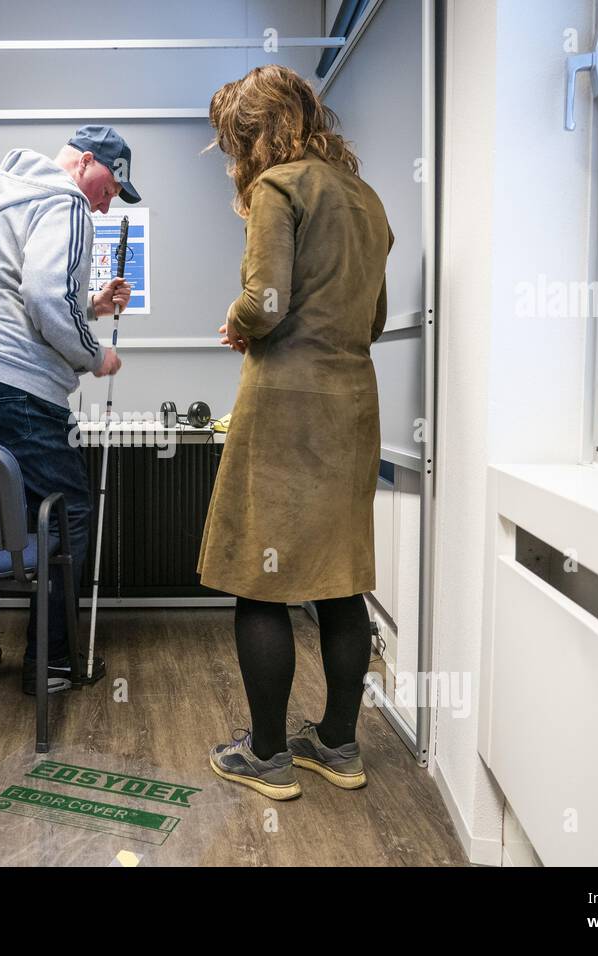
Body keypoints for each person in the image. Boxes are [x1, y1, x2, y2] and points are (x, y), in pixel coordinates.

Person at [198, 66, 393, 799]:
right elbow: (372, 319)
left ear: (256, 132)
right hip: (352, 406)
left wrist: (237, 322)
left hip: (286, 406)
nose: (234, 157)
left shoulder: (279, 188)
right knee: (341, 581)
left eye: (235, 141)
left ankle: (269, 756)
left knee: (261, 580)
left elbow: (266, 299)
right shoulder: (367, 201)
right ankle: (339, 745)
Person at [0, 125, 140, 695]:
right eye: (113, 186)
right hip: (11, 386)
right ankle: (52, 664)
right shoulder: (68, 202)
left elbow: (15, 293)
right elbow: (45, 299)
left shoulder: (7, 193)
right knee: (67, 515)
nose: (108, 199)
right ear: (89, 163)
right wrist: (95, 355)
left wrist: (89, 306)